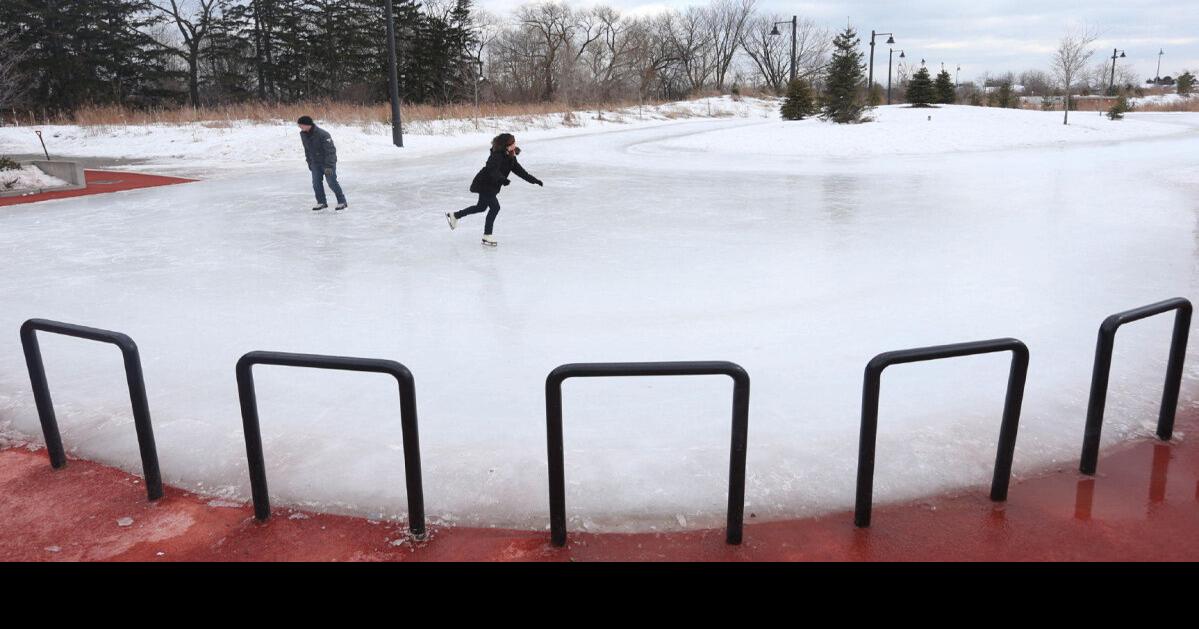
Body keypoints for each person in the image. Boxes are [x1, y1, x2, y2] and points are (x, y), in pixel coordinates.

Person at [446, 133, 542, 247]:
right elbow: (492, 170)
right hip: (485, 183)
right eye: (512, 143)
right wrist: (503, 180)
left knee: (481, 207)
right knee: (495, 208)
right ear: (506, 145)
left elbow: (521, 172)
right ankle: (487, 236)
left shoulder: (511, 157)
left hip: (492, 185)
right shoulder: (496, 155)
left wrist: (534, 180)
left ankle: (455, 215)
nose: (515, 145)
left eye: (514, 143)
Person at [298, 115, 347, 211]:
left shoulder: (323, 134)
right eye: (299, 125)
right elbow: (307, 150)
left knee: (331, 182)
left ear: (308, 125)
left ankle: (342, 201)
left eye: (301, 125)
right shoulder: (303, 134)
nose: (300, 127)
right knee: (316, 183)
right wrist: (309, 162)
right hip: (315, 164)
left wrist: (329, 166)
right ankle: (321, 202)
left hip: (327, 164)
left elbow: (331, 151)